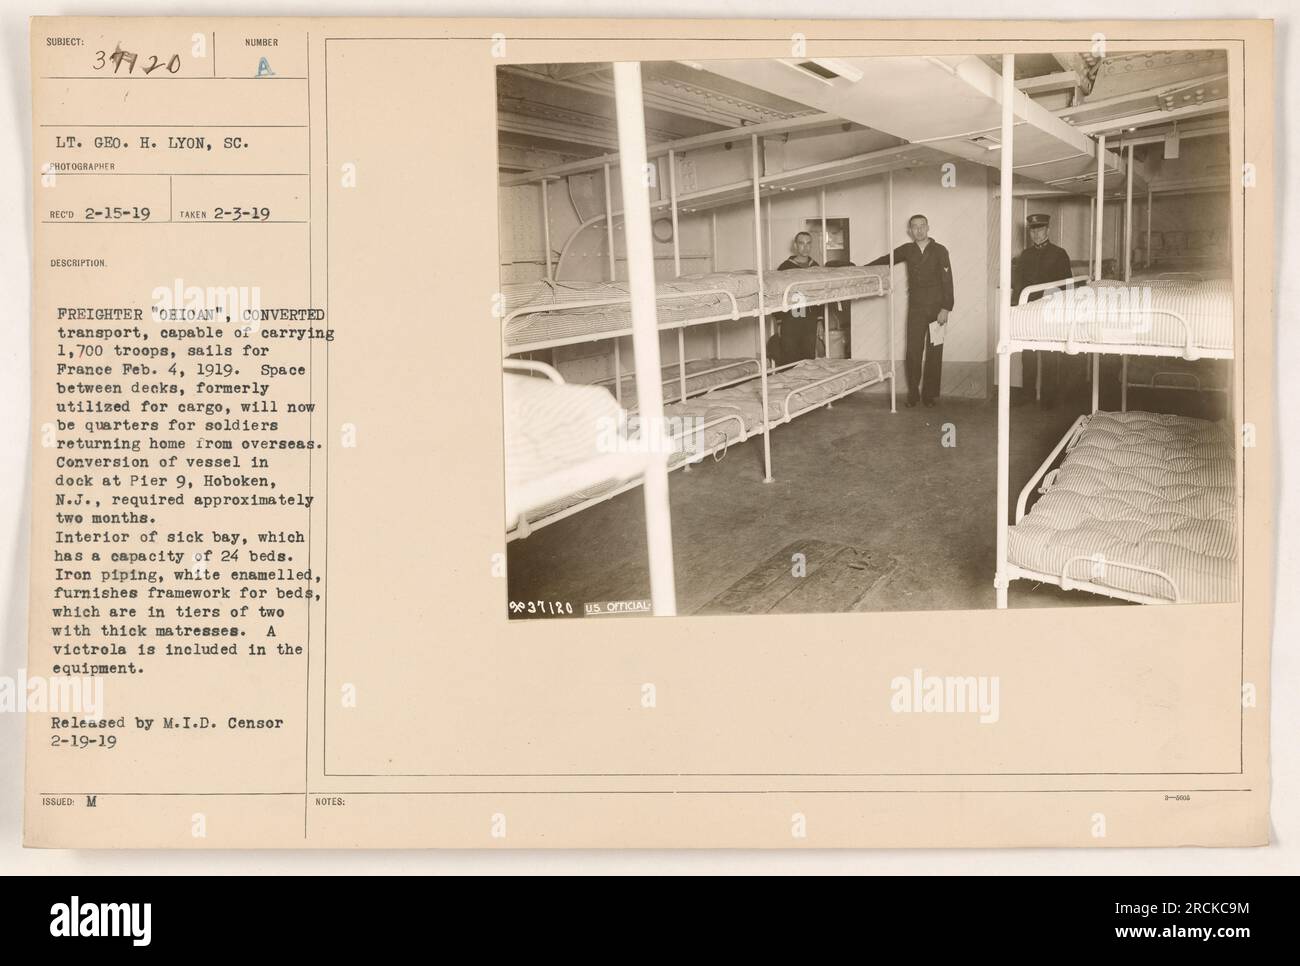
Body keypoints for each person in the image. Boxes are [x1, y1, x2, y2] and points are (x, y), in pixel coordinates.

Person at [868, 214, 954, 407]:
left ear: (928, 227)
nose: (919, 230)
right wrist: (860, 270)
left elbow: (948, 281)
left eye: (922, 226)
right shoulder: (907, 250)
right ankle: (913, 394)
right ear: (910, 231)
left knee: (934, 352)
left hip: (937, 309)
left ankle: (929, 395)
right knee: (913, 351)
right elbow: (886, 259)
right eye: (915, 227)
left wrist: (946, 308)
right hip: (916, 308)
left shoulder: (940, 250)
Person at [1011, 212, 1073, 408]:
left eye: (1040, 230)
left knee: (1049, 355)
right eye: (1033, 231)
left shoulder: (1059, 253)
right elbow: (1019, 284)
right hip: (1029, 310)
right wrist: (1016, 308)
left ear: (1048, 229)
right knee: (1027, 354)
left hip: (1050, 310)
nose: (1036, 234)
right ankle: (1027, 395)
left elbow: (1067, 285)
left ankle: (1048, 398)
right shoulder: (1026, 255)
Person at [770, 231, 821, 364]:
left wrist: (820, 320)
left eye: (808, 243)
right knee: (789, 355)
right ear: (795, 246)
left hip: (809, 318)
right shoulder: (785, 267)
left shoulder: (815, 267)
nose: (805, 247)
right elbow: (777, 295)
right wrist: (779, 321)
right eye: (801, 243)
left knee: (808, 356)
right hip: (790, 319)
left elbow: (820, 294)